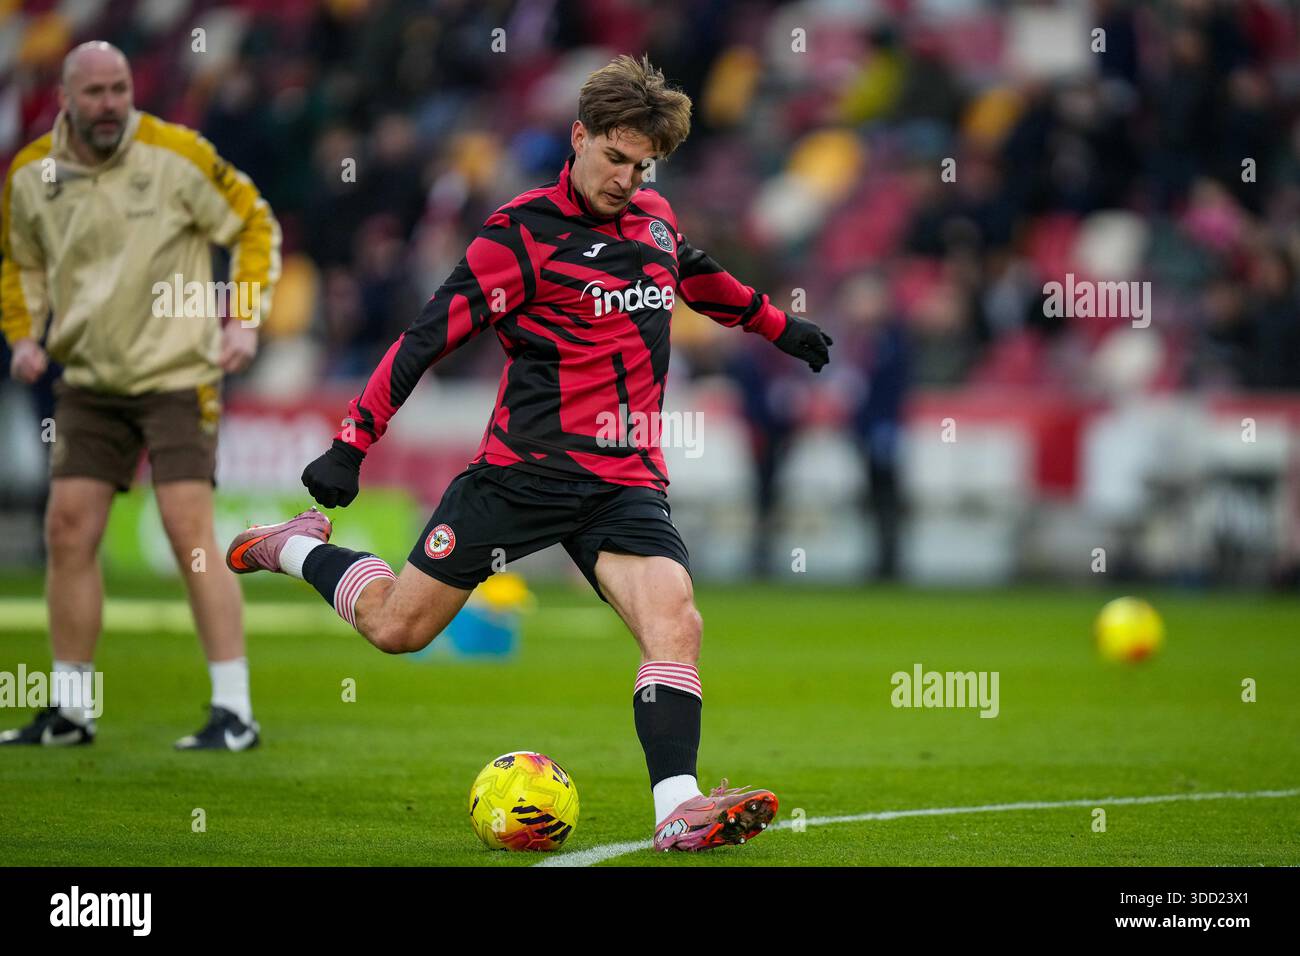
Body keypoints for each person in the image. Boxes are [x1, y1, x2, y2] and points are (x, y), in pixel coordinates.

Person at [226, 55, 830, 849]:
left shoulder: (653, 219)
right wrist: (352, 443)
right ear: (578, 137)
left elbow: (699, 276)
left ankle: (676, 809)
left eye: (641, 164)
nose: (626, 177)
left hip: (624, 482)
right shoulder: (517, 235)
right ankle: (297, 548)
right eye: (614, 157)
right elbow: (422, 340)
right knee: (398, 630)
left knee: (676, 621)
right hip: (519, 477)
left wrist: (783, 329)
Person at [1, 42, 281, 750]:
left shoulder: (176, 154)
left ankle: (234, 709)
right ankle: (70, 709)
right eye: (93, 92)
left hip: (176, 373)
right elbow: (20, 263)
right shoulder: (32, 174)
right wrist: (23, 336)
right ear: (64, 97)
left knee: (188, 534)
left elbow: (254, 221)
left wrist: (242, 316)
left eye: (119, 89)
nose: (109, 104)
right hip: (89, 380)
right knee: (67, 529)